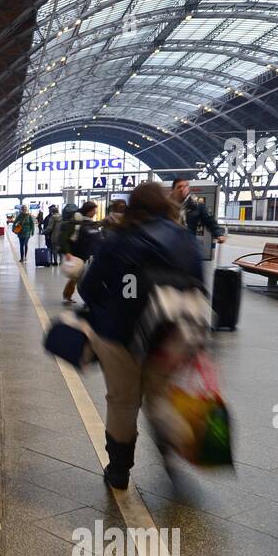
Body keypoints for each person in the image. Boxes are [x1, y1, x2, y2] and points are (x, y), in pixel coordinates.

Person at [78, 182, 204, 489]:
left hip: (119, 335)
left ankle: (119, 470)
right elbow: (198, 286)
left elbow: (87, 288)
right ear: (165, 206)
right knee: (160, 395)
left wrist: (107, 308)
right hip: (169, 334)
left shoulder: (116, 240)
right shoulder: (185, 239)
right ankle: (171, 449)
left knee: (122, 402)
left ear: (133, 207)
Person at [61, 200, 100, 303]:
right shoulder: (76, 223)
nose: (95, 212)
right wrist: (67, 252)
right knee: (79, 279)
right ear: (88, 211)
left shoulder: (92, 223)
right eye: (94, 210)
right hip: (78, 255)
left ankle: (67, 295)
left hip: (89, 255)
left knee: (76, 278)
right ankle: (85, 299)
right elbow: (65, 238)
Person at [172, 179, 226, 247]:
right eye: (179, 187)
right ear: (173, 190)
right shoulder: (165, 205)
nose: (182, 189)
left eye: (185, 186)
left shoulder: (197, 205)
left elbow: (209, 221)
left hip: (188, 244)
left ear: (188, 189)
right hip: (169, 243)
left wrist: (219, 234)